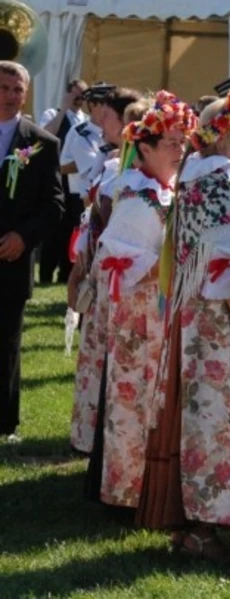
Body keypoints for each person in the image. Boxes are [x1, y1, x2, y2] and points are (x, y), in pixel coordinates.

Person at [137, 85, 230, 558]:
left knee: (196, 417)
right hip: (221, 328)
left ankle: (188, 523)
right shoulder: (226, 193)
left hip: (194, 321)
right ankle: (203, 527)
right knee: (218, 420)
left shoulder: (194, 186)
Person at [94, 91, 196, 508]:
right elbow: (115, 257)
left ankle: (155, 488)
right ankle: (128, 490)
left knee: (160, 401)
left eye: (183, 142)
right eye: (170, 143)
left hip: (166, 311)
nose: (180, 150)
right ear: (146, 149)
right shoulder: (138, 199)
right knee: (134, 398)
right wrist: (176, 263)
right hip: (142, 315)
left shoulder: (167, 193)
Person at [69, 87, 143, 456]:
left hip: (124, 271)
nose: (101, 123)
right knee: (97, 352)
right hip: (101, 265)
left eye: (108, 117)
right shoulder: (113, 163)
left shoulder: (130, 171)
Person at [0, 61, 65, 443]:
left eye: (17, 89)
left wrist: (24, 238)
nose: (10, 95)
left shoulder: (40, 142)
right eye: (4, 87)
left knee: (5, 342)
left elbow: (53, 204)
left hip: (11, 257)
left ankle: (4, 421)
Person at [38, 79, 89, 285]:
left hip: (77, 182)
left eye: (82, 97)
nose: (79, 101)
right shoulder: (52, 114)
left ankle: (66, 272)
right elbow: (45, 135)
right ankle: (46, 272)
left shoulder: (86, 119)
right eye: (75, 96)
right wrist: (63, 109)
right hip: (57, 178)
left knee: (73, 227)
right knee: (54, 227)